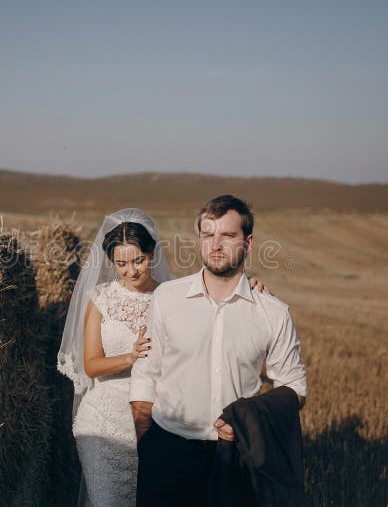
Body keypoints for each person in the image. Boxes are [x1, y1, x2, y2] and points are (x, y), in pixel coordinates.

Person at [57, 208, 271, 507]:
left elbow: (215, 316)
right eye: (120, 264)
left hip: (155, 420)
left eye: (138, 261)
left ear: (153, 254)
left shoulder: (173, 297)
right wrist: (132, 356)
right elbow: (91, 365)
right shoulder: (100, 298)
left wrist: (252, 288)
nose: (130, 271)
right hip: (102, 423)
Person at [129, 195, 308, 507]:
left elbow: (295, 387)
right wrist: (145, 440)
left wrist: (247, 417)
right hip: (167, 452)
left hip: (236, 457)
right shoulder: (167, 299)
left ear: (248, 243)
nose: (215, 245)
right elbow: (147, 373)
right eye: (207, 235)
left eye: (227, 235)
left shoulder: (272, 312)